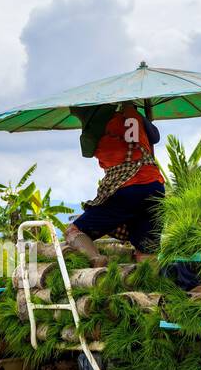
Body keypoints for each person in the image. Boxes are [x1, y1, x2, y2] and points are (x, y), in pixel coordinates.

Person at [65, 102, 165, 266]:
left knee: (74, 230)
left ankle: (97, 261)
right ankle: (152, 283)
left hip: (127, 188)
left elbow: (91, 153)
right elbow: (155, 136)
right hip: (154, 186)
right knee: (147, 248)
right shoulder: (132, 118)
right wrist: (135, 112)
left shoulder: (91, 137)